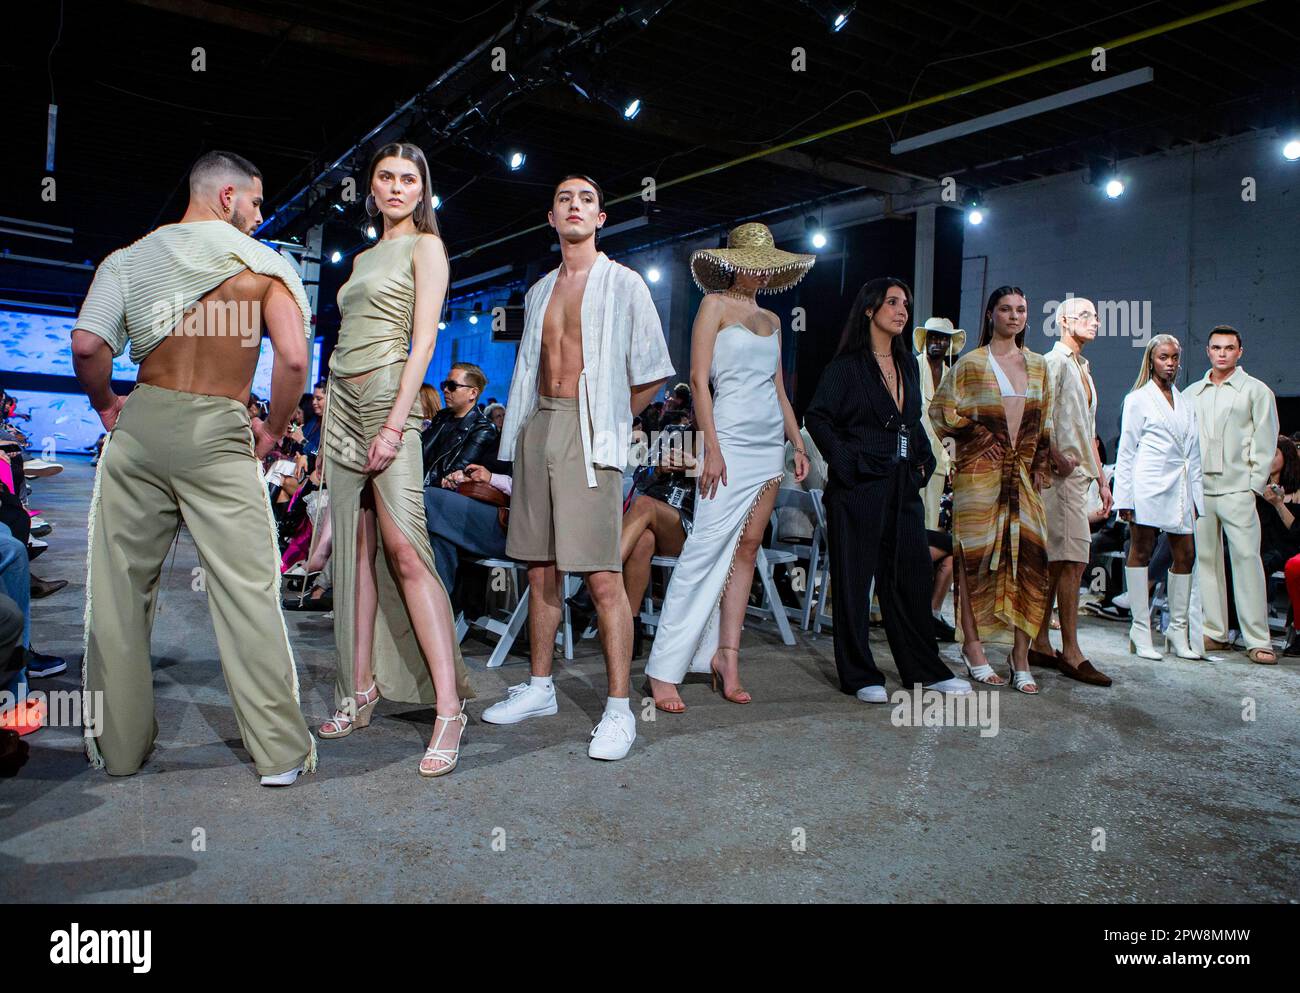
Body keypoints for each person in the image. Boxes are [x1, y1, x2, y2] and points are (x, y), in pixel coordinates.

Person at [70, 150, 317, 785]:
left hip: (144, 424)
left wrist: (106, 404)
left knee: (120, 591)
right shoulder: (262, 266)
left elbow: (89, 344)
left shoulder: (128, 259)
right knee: (245, 590)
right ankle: (280, 756)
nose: (261, 218)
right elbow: (292, 360)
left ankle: (119, 752)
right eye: (258, 203)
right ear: (227, 195)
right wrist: (275, 430)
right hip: (219, 430)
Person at [483, 174, 674, 760]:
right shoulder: (539, 291)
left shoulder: (625, 283)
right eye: (564, 198)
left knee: (600, 575)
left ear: (601, 218)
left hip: (591, 433)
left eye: (587, 198)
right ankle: (540, 687)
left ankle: (619, 710)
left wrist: (608, 426)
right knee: (540, 570)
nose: (575, 206)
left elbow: (652, 370)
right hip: (538, 422)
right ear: (551, 217)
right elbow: (525, 373)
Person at [316, 142, 475, 777]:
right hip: (342, 402)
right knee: (355, 556)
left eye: (409, 179)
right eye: (386, 177)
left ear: (423, 189)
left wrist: (393, 420)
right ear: (371, 188)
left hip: (388, 397)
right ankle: (359, 689)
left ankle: (448, 710)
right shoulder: (360, 258)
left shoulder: (426, 247)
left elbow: (424, 340)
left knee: (408, 549)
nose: (397, 187)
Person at [643, 223, 814, 711]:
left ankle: (727, 657)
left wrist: (796, 442)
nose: (758, 275)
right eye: (751, 264)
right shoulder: (713, 306)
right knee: (703, 551)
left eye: (767, 267)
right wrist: (711, 448)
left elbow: (779, 388)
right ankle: (664, 668)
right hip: (729, 441)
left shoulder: (775, 320)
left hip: (767, 448)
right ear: (734, 263)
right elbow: (698, 381)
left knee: (748, 551)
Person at [805, 277, 971, 703]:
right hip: (858, 487)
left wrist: (924, 458)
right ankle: (860, 675)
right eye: (892, 302)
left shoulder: (907, 365)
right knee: (854, 581)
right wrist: (846, 464)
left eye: (905, 304)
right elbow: (818, 419)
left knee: (911, 578)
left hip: (902, 486)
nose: (901, 310)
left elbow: (910, 421)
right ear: (869, 309)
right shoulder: (846, 367)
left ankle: (924, 671)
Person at [929, 286, 1056, 694]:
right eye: (1006, 309)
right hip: (979, 477)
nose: (1014, 315)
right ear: (990, 314)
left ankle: (1020, 654)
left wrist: (1039, 465)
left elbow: (1044, 422)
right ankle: (973, 647)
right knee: (974, 561)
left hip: (1023, 478)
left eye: (1021, 309)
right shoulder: (971, 364)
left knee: (1030, 561)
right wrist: (978, 437)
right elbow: (940, 411)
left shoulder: (1038, 366)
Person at [1029, 297, 1113, 686]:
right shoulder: (1055, 362)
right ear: (1063, 321)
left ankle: (1041, 642)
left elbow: (1088, 428)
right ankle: (1072, 650)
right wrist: (1053, 454)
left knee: (1062, 560)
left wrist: (1102, 479)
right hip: (1058, 475)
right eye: (1085, 316)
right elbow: (1040, 415)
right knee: (1073, 559)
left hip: (1079, 476)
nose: (1094, 322)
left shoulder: (1082, 367)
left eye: (1096, 317)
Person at [1186, 325, 1280, 664]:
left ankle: (1258, 638)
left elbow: (1266, 440)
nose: (1222, 353)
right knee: (1207, 560)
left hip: (1238, 487)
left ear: (1240, 352)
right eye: (1216, 347)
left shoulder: (1256, 391)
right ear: (1208, 351)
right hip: (1202, 490)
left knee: (1246, 561)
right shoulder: (1191, 393)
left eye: (1229, 348)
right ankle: (1215, 631)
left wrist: (1253, 485)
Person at [1112, 334, 1206, 660]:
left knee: (1187, 554)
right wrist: (1123, 498)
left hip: (1180, 488)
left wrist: (1198, 499)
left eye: (1175, 358)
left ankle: (1177, 633)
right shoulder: (1138, 399)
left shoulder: (1187, 403)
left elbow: (1194, 455)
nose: (1170, 363)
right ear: (1151, 360)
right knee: (1141, 550)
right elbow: (1126, 451)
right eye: (1164, 357)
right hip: (1147, 485)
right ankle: (1140, 630)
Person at [420, 363, 498, 485]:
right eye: (444, 385)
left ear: (473, 393)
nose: (445, 390)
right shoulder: (441, 417)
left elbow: (453, 474)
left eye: (452, 386)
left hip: (439, 496)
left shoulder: (483, 428)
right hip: (420, 485)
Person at [1259, 436, 1300, 656]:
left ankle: (1258, 623)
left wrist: (1278, 504)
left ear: (1287, 457)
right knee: (1234, 556)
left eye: (1274, 453)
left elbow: (1295, 532)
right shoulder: (1258, 485)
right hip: (1263, 542)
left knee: (1263, 561)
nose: (1268, 458)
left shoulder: (1296, 490)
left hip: (1287, 546)